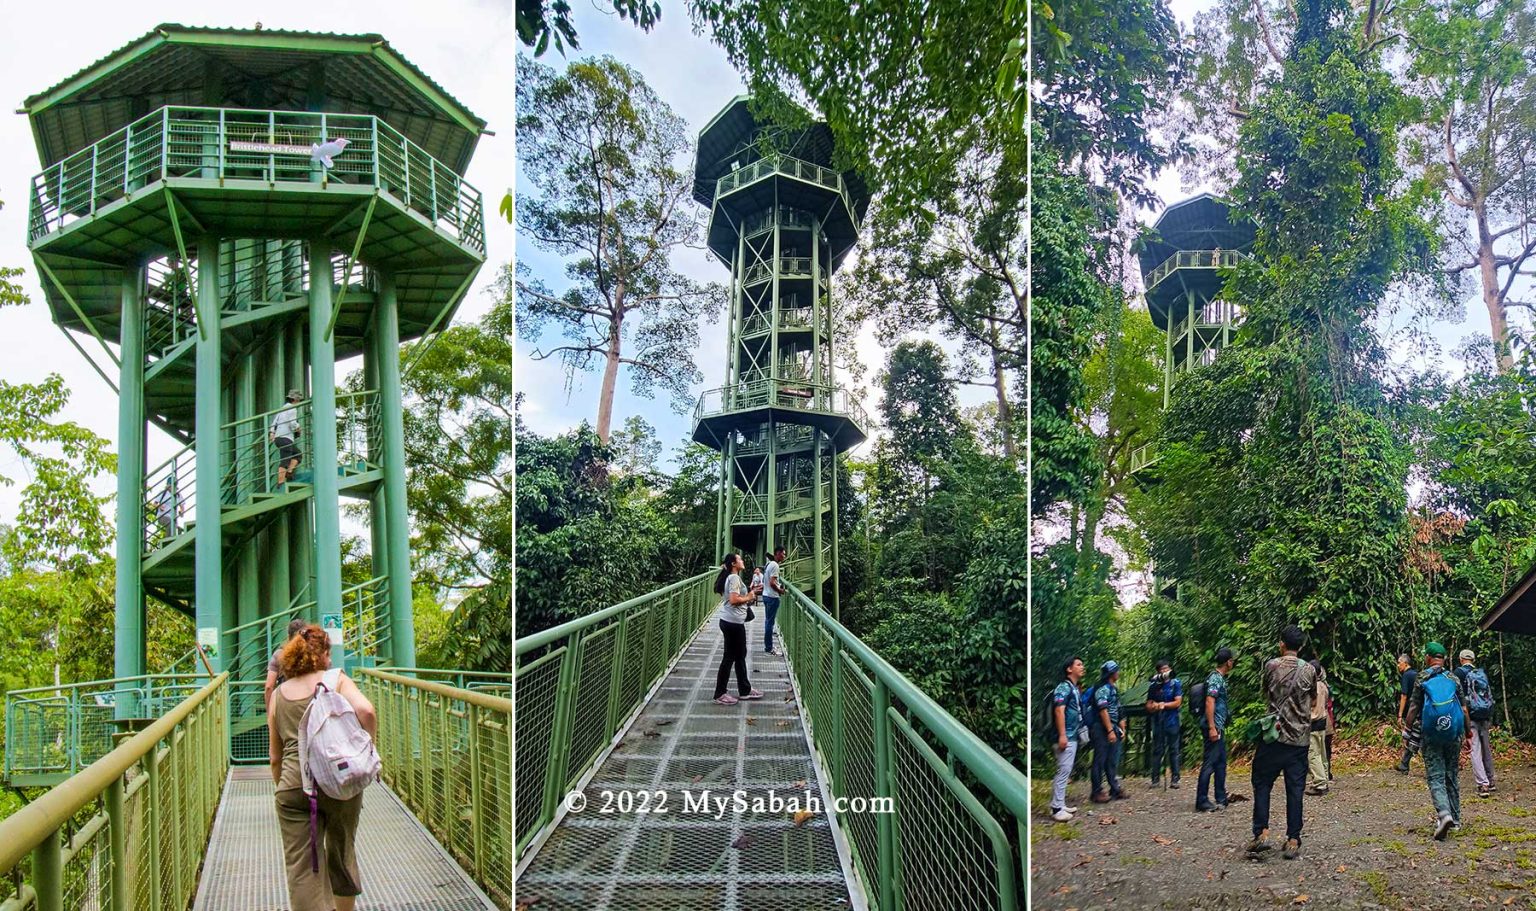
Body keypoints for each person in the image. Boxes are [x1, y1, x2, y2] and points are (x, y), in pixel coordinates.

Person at [267, 624, 377, 911]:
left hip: (294, 784)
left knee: (303, 869)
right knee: (341, 853)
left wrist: (283, 785)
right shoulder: (336, 679)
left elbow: (275, 757)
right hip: (340, 779)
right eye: (329, 652)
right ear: (322, 654)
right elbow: (366, 711)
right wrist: (369, 752)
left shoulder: (278, 695)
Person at [1248, 626, 1316, 861]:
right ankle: (1293, 838)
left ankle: (1262, 832)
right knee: (1295, 789)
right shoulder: (1309, 670)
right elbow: (1313, 698)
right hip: (1299, 740)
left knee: (1262, 781)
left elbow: (1265, 693)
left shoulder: (1271, 666)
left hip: (1273, 737)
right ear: (1301, 646)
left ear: (1281, 644)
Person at [1405, 641, 1473, 839]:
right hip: (1453, 734)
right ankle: (1456, 820)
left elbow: (1413, 707)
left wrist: (1407, 730)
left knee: (1435, 776)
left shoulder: (1423, 677)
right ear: (1444, 659)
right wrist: (1468, 734)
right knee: (1451, 774)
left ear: (1428, 657)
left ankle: (1444, 814)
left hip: (1431, 735)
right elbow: (1464, 709)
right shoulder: (1453, 678)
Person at [712, 554, 763, 705]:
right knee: (729, 658)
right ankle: (720, 693)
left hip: (732, 622)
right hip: (732, 623)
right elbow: (734, 600)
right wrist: (749, 597)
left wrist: (752, 593)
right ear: (734, 563)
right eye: (740, 559)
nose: (743, 561)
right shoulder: (733, 578)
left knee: (740, 655)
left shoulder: (732, 577)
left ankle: (745, 690)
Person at [1196, 648, 1235, 812]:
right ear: (1228, 662)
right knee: (1210, 763)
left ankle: (1220, 796)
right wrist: (1212, 727)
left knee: (1220, 763)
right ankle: (1202, 800)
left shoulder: (1219, 678)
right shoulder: (1215, 679)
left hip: (1218, 725)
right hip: (1213, 726)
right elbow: (1209, 702)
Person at [1453, 648, 1497, 797]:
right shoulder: (1481, 673)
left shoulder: (1458, 673)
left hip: (1470, 716)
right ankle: (1491, 781)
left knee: (1475, 749)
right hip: (1484, 715)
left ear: (1461, 659)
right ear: (1473, 660)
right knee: (1486, 749)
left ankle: (1482, 784)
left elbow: (1457, 697)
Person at [1049, 657, 1086, 821]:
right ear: (1069, 669)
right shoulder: (1063, 687)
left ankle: (1060, 803)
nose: (1082, 667)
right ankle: (1056, 808)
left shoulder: (1073, 688)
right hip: (1066, 735)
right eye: (1078, 665)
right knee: (1063, 770)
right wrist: (1063, 734)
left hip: (1072, 734)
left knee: (1066, 769)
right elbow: (1059, 710)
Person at [1089, 661, 1128, 804]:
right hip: (1101, 728)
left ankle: (1114, 788)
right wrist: (1109, 730)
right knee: (1100, 760)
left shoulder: (1113, 689)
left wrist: (1121, 728)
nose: (1118, 673)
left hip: (1113, 727)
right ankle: (1096, 791)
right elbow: (1103, 710)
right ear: (1111, 673)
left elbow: (1119, 709)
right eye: (1116, 671)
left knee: (1112, 760)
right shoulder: (1102, 689)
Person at [1146, 658, 1183, 789]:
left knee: (1174, 749)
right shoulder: (1154, 686)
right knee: (1157, 750)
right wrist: (1154, 706)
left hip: (1172, 721)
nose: (1165, 672)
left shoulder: (1175, 683)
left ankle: (1175, 778)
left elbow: (1178, 702)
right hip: (1158, 721)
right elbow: (1148, 705)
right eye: (1162, 670)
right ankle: (1155, 778)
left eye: (1167, 669)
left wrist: (1164, 705)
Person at [264, 617, 312, 708]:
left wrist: (270, 711)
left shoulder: (279, 654)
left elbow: (269, 686)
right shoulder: (313, 655)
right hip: (308, 705)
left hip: (285, 704)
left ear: (288, 635)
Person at [271, 389, 304, 487]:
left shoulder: (282, 409)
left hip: (279, 438)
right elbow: (292, 422)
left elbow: (274, 423)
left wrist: (271, 433)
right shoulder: (292, 408)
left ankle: (289, 472)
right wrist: (298, 428)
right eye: (299, 400)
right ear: (295, 400)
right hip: (285, 438)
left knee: (297, 454)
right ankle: (280, 483)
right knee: (285, 460)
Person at [1307, 660, 1330, 795]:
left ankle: (1320, 783)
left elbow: (1311, 703)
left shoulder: (1312, 686)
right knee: (1322, 753)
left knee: (1313, 754)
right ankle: (1324, 778)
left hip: (1314, 722)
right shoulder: (1323, 686)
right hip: (1323, 721)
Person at [1395, 653, 1420, 774]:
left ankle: (1405, 764)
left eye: (1399, 662)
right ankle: (1404, 764)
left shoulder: (1406, 675)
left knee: (1411, 736)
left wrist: (1400, 715)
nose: (1398, 665)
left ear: (1405, 663)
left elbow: (1404, 695)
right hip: (1420, 710)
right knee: (1415, 736)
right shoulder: (1417, 674)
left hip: (1411, 711)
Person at [762, 546, 785, 654]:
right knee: (769, 623)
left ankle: (768, 645)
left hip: (766, 595)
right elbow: (772, 582)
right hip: (772, 597)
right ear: (778, 553)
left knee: (768, 621)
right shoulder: (775, 565)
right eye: (783, 554)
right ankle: (769, 647)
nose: (784, 556)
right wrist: (780, 590)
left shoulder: (769, 564)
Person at [152, 476, 179, 540]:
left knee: (177, 528)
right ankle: (168, 540)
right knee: (170, 522)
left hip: (172, 517)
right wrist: (160, 506)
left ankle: (172, 540)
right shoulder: (163, 493)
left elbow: (182, 505)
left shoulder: (177, 495)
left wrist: (181, 511)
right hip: (162, 516)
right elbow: (154, 504)